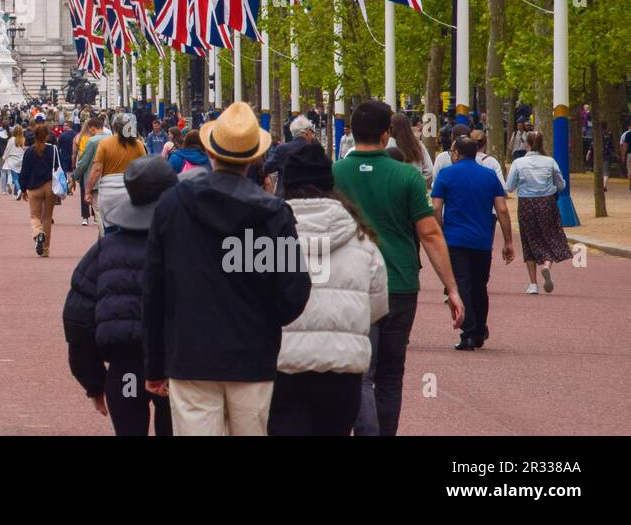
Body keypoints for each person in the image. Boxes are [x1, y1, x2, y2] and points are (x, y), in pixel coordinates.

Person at [142, 103, 311, 436]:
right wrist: (262, 322)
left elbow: (154, 289)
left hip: (190, 353)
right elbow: (294, 290)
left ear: (211, 151)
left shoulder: (173, 204)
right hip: (252, 354)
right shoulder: (273, 213)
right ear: (253, 158)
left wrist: (154, 362)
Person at [334, 100, 463, 435]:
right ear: (385, 133)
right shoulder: (406, 175)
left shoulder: (335, 174)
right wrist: (451, 287)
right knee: (391, 374)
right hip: (399, 283)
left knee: (360, 373)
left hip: (351, 284)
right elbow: (431, 234)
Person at [269, 141, 387, 435]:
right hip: (341, 368)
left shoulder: (267, 235)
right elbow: (377, 303)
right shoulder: (360, 239)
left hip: (282, 363)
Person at [64, 155, 176, 436]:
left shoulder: (103, 252)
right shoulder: (187, 247)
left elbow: (78, 323)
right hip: (176, 365)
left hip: (126, 367)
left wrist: (94, 381)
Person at [432, 135, 515, 351]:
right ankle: (480, 330)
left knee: (462, 284)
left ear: (457, 153)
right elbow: (502, 209)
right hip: (482, 239)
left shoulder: (446, 174)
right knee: (480, 286)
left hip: (455, 239)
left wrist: (439, 231)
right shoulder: (489, 175)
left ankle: (468, 333)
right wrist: (508, 241)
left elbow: (436, 208)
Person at [504, 130, 572, 295]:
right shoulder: (550, 162)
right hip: (547, 202)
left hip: (526, 203)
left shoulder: (518, 163)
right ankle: (547, 265)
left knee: (529, 239)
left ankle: (533, 283)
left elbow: (510, 187)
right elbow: (561, 184)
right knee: (550, 236)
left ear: (526, 144)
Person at [19, 122, 60, 258]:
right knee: (47, 217)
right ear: (47, 135)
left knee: (34, 216)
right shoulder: (53, 149)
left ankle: (38, 232)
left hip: (34, 187)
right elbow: (58, 168)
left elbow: (24, 171)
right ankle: (46, 249)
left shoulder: (29, 151)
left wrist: (23, 188)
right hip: (49, 185)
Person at [71, 116, 106, 226]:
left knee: (99, 212)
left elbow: (83, 162)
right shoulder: (111, 138)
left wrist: (74, 176)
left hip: (94, 181)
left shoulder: (92, 141)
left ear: (92, 128)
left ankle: (105, 240)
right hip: (109, 180)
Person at [389, 112, 434, 186]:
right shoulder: (418, 144)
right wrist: (417, 184)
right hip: (415, 190)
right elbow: (429, 171)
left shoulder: (389, 144)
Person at [0, 124, 25, 197]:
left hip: (13, 160)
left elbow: (7, 150)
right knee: (19, 177)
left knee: (15, 177)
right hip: (21, 160)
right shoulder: (23, 139)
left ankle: (19, 190)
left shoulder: (11, 140)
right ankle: (16, 193)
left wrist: (4, 158)